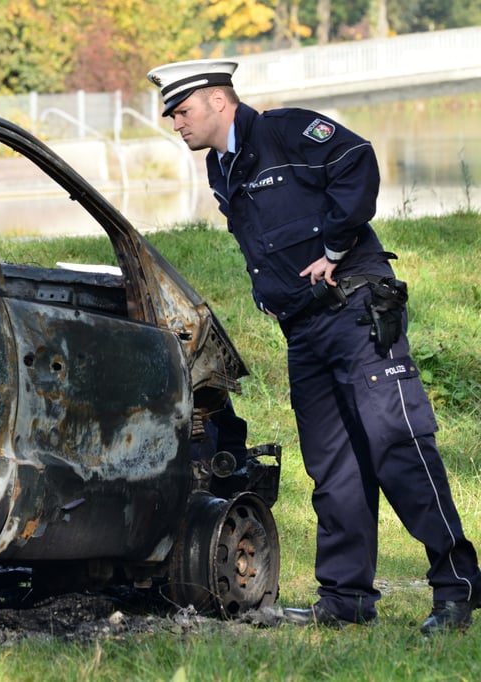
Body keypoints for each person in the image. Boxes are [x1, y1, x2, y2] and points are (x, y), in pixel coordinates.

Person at [145, 58, 481, 633]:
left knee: (398, 450)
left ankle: (458, 590)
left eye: (182, 110)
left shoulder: (286, 131)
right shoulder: (221, 170)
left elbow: (357, 160)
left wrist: (334, 244)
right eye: (171, 114)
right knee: (335, 469)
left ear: (218, 102)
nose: (176, 122)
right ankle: (345, 601)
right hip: (303, 332)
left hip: (354, 313)